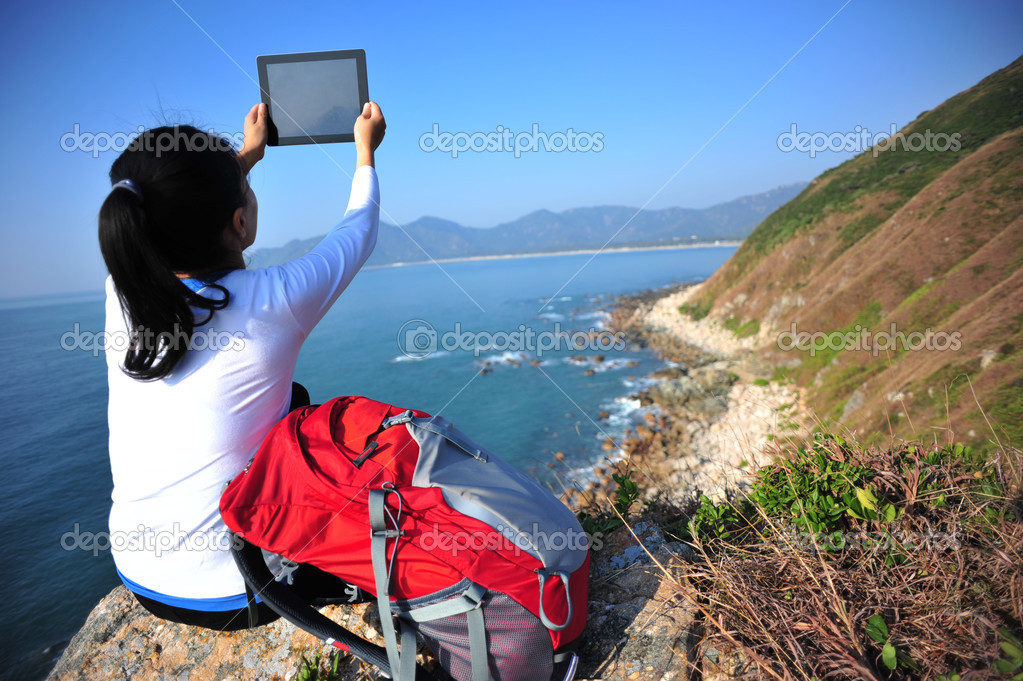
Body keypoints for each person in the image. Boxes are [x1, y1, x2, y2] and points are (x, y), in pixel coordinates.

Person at [98, 100, 386, 630]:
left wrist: (243, 161)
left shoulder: (121, 291)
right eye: (245, 197)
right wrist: (365, 151)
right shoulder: (270, 302)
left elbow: (175, 212)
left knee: (291, 398)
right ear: (239, 221)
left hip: (139, 576)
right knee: (327, 436)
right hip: (238, 594)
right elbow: (359, 231)